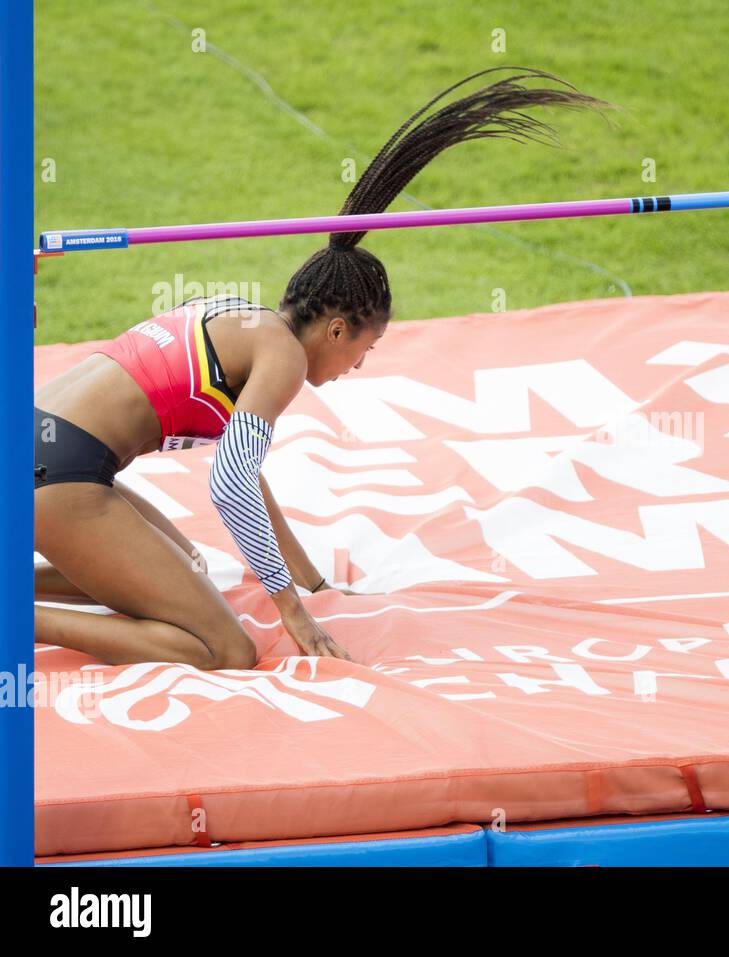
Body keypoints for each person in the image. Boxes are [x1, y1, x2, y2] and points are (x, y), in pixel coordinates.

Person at [34, 66, 613, 670]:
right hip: (57, 474)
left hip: (45, 452)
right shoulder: (281, 353)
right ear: (336, 328)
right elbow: (230, 483)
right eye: (366, 345)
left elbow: (246, 473)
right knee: (224, 649)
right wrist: (292, 610)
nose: (359, 363)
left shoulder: (242, 320)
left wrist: (311, 584)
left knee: (189, 569)